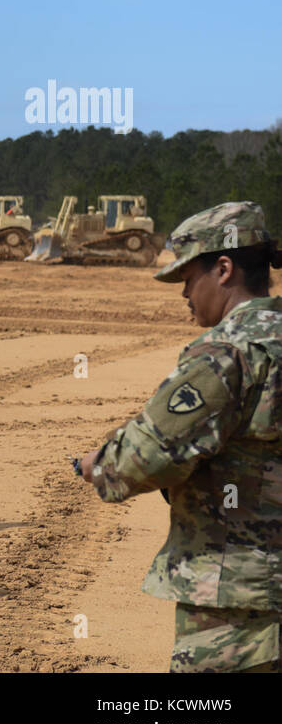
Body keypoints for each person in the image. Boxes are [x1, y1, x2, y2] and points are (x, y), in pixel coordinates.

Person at [76, 201, 282, 673]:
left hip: (236, 604)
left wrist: (97, 464)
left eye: (189, 278)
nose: (184, 293)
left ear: (224, 268)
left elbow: (147, 454)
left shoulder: (228, 352)